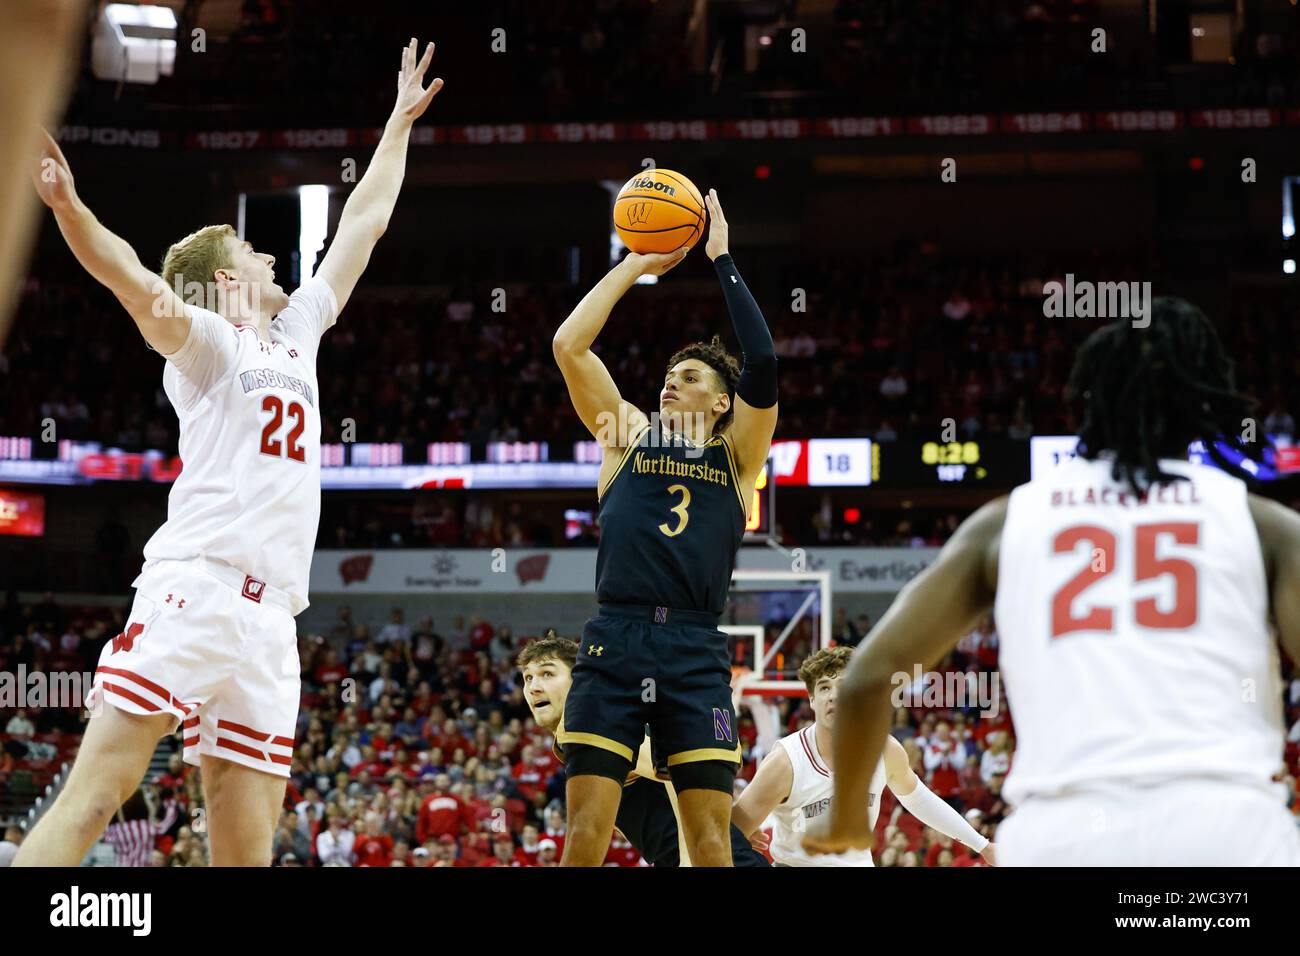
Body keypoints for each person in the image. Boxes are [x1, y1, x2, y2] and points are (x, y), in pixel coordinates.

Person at [14, 39, 443, 867]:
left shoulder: (300, 334)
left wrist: (396, 123)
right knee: (97, 797)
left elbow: (366, 222)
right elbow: (135, 281)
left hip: (272, 621)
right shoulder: (208, 341)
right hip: (196, 589)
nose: (276, 257)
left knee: (247, 852)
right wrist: (69, 209)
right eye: (254, 254)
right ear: (221, 281)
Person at [806, 299, 1300, 866]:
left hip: (1064, 835)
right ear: (1206, 398)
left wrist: (847, 817)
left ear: (1084, 402)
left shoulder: (1006, 521)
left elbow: (868, 677)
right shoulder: (1262, 524)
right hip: (1226, 832)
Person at [551, 191, 778, 866]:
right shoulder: (624, 436)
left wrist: (722, 259)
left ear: (720, 401)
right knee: (587, 832)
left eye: (688, 378)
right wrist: (634, 264)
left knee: (709, 837)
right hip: (615, 638)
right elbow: (569, 344)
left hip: (693, 645)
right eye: (668, 377)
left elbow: (762, 363)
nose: (669, 385)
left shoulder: (737, 456)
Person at [518, 636, 767, 867]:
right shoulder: (588, 727)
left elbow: (677, 771)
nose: (534, 687)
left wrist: (687, 858)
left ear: (579, 679)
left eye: (547, 674)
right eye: (528, 677)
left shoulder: (595, 722)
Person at [732, 647, 993, 866]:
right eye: (824, 687)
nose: (833, 695)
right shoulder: (786, 761)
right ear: (812, 699)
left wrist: (982, 845)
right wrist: (743, 833)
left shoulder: (884, 749)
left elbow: (919, 800)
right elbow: (729, 832)